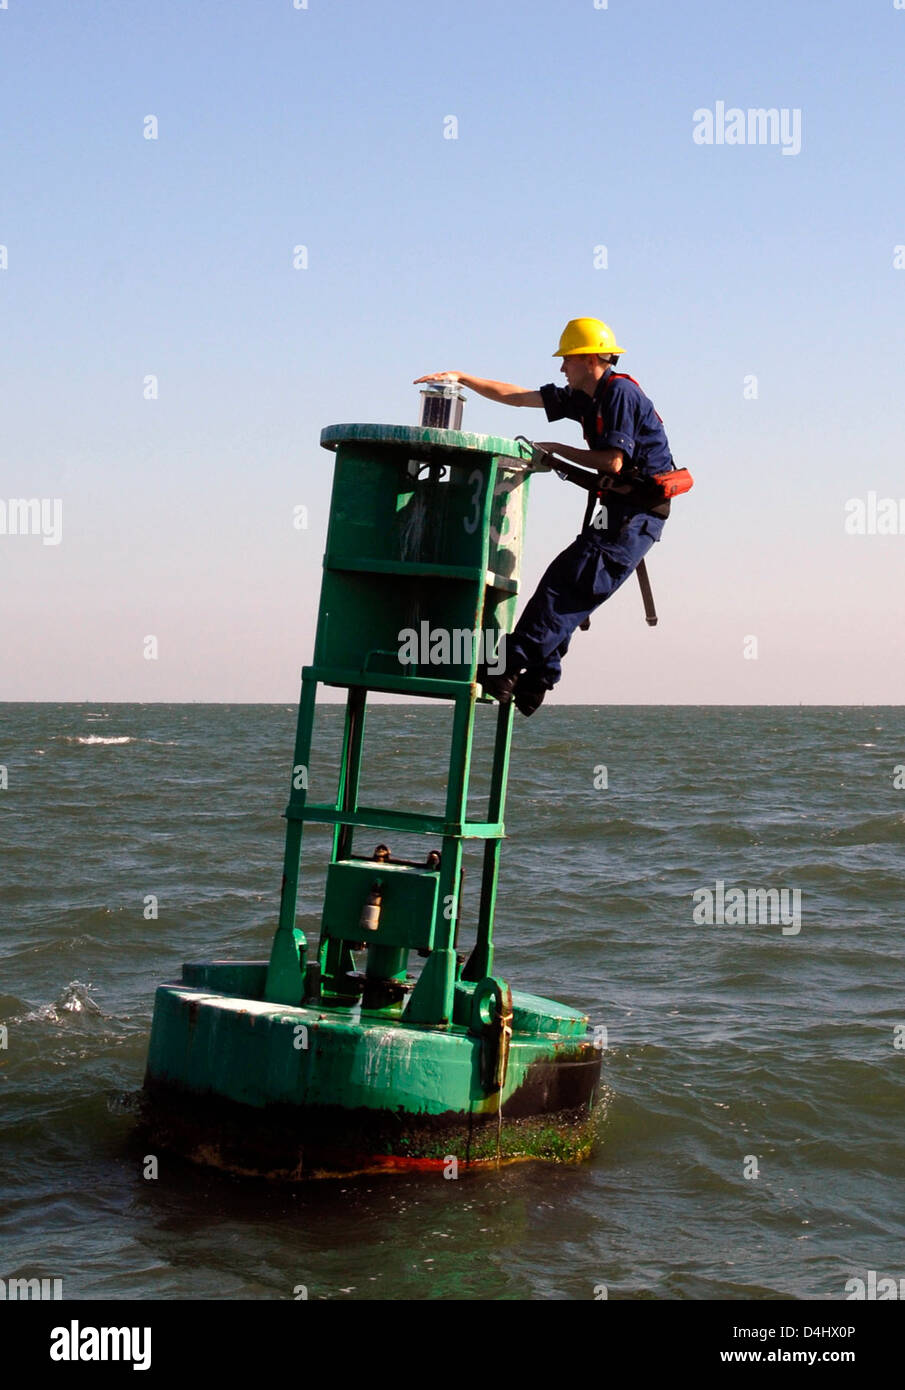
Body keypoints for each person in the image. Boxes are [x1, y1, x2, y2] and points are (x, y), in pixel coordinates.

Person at [414, 317, 676, 716]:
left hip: (635, 519)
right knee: (568, 588)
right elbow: (518, 397)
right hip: (620, 514)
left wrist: (554, 450)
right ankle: (536, 677)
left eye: (567, 360)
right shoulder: (582, 396)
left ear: (589, 359)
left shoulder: (619, 393)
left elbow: (614, 461)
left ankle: (508, 668)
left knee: (564, 589)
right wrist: (462, 378)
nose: (560, 368)